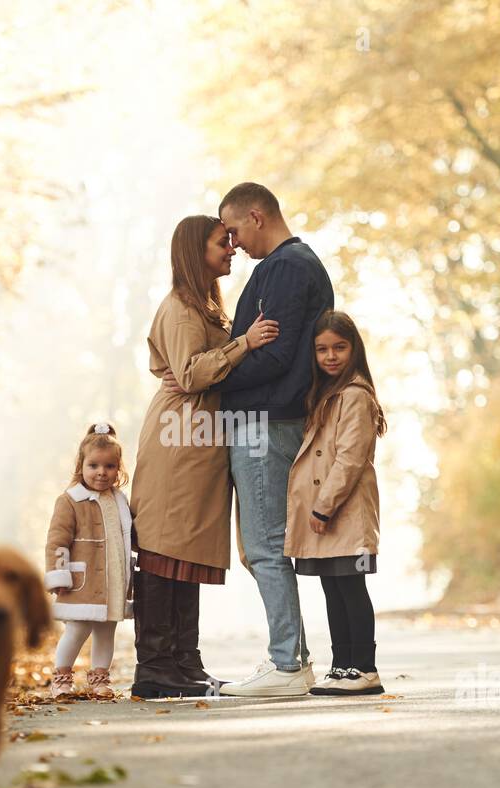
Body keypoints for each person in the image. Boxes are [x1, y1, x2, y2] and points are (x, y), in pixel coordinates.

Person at [167, 183, 334, 697]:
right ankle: (291, 660)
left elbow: (277, 355)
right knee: (265, 545)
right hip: (271, 420)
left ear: (256, 217)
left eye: (235, 230)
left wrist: (212, 377)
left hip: (263, 423)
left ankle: (287, 665)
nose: (234, 244)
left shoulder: (283, 267)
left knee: (264, 547)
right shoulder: (298, 265)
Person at [130, 215, 280, 699]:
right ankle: (154, 668)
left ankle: (185, 662)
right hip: (177, 442)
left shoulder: (206, 306)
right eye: (222, 243)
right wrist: (244, 343)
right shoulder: (179, 308)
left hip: (201, 438)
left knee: (186, 551)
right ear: (197, 251)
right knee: (163, 549)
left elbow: (197, 370)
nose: (232, 249)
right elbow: (192, 375)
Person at [285, 311, 386, 696]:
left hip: (346, 513)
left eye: (339, 348)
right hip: (326, 513)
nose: (330, 356)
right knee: (332, 588)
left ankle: (365, 667)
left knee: (351, 588)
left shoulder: (355, 396)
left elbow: (350, 458)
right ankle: (342, 666)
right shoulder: (324, 394)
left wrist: (323, 506)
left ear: (354, 349)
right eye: (322, 349)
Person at [44, 423, 133, 700]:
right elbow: (57, 541)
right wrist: (58, 576)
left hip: (112, 580)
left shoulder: (119, 501)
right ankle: (61, 678)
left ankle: (99, 679)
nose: (101, 472)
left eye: (109, 466)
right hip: (81, 582)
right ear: (80, 465)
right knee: (78, 629)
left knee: (107, 630)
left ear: (118, 469)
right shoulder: (70, 501)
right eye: (93, 465)